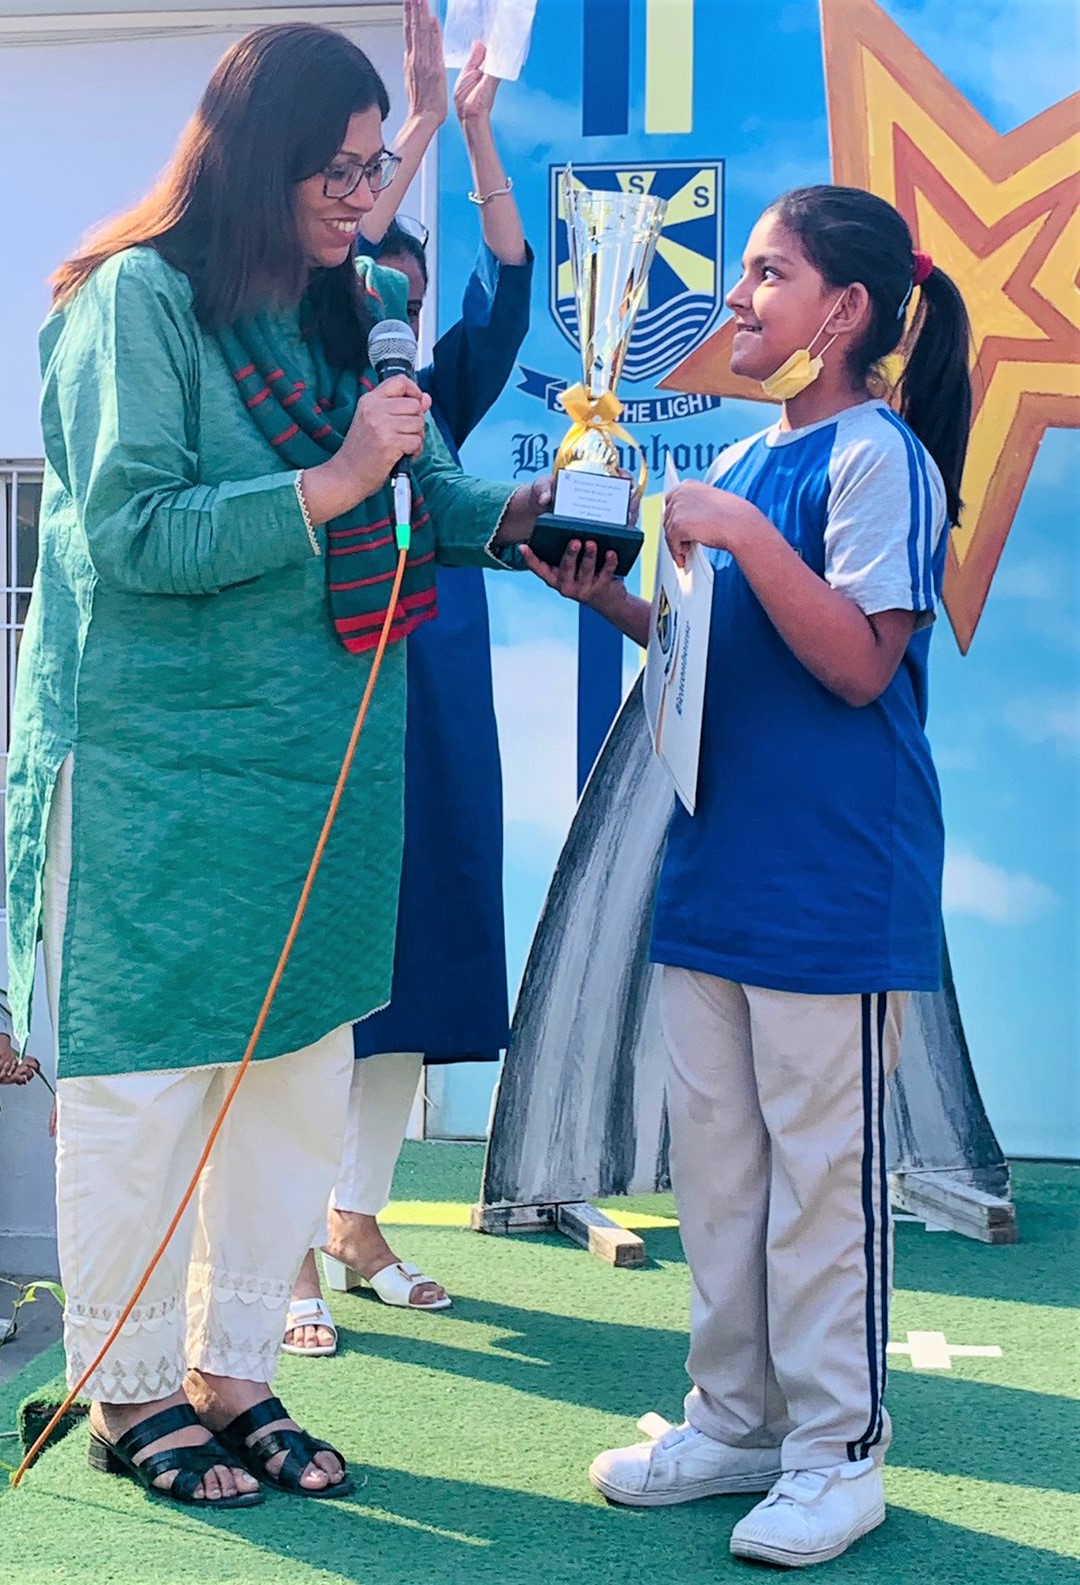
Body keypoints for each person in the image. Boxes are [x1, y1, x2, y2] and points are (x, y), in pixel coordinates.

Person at [5, 22, 545, 1511]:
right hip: (164, 778)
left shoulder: (350, 302)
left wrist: (531, 518)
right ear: (260, 156)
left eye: (380, 166)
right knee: (152, 1087)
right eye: (346, 167)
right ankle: (120, 1388)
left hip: (329, 769)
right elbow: (133, 532)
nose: (368, 197)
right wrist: (331, 483)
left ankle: (233, 1369)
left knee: (293, 1078)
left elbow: (421, 477)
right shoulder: (138, 303)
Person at [524, 185, 972, 1568]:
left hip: (831, 883)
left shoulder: (876, 457)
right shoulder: (744, 456)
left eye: (767, 276)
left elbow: (856, 660)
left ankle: (838, 1451)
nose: (737, 300)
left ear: (844, 311)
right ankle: (732, 1419)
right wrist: (606, 596)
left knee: (820, 1179)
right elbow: (713, 660)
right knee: (718, 1172)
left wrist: (741, 531)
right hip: (716, 866)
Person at [284, 15, 533, 1353]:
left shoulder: (434, 403)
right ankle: (282, 1258)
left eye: (412, 290)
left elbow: (506, 282)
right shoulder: (304, 385)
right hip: (334, 688)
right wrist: (419, 121)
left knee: (418, 968)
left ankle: (357, 1214)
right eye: (381, 279)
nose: (399, 310)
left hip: (439, 696)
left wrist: (477, 130)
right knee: (323, 979)